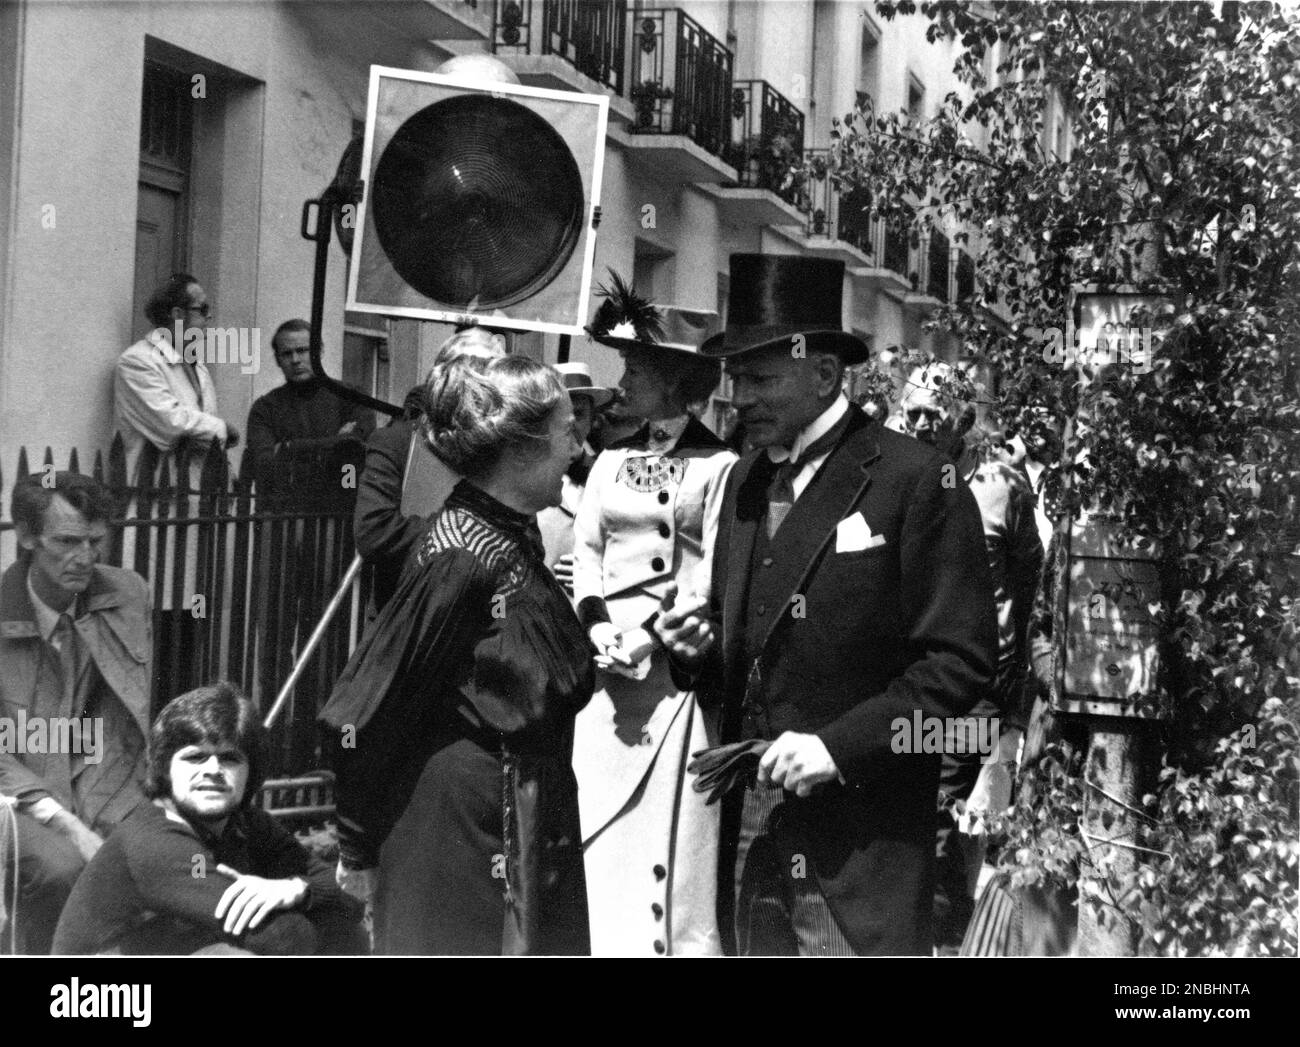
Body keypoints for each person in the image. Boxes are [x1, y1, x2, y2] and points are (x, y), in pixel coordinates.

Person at [655, 254, 998, 956]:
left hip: (860, 855)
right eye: (734, 378)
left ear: (824, 374)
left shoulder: (914, 481)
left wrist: (836, 749)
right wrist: (697, 652)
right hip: (749, 839)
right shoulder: (748, 476)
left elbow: (960, 667)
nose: (738, 396)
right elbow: (746, 643)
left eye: (760, 378)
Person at [321, 354, 592, 955]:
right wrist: (356, 847)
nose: (578, 447)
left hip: (517, 811)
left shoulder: (510, 533)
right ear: (520, 450)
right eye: (567, 432)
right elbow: (365, 706)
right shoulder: (462, 554)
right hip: (461, 832)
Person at [572, 285, 737, 957]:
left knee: (670, 868)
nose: (623, 383)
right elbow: (585, 552)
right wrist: (598, 628)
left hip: (673, 682)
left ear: (675, 380)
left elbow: (713, 573)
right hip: (608, 687)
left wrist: (648, 636)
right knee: (605, 847)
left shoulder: (720, 464)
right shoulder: (609, 461)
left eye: (637, 370)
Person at [899, 363, 1044, 952]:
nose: (922, 422)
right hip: (909, 675)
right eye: (913, 412)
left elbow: (1031, 574)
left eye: (935, 411)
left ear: (964, 416)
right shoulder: (899, 479)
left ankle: (946, 936)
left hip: (975, 681)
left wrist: (1015, 680)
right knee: (924, 809)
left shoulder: (999, 483)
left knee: (941, 805)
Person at [52, 682, 361, 955]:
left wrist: (296, 889)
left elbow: (350, 896)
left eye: (230, 758)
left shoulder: (249, 824)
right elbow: (281, 938)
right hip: (97, 996)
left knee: (342, 928)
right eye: (194, 757)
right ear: (164, 769)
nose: (213, 770)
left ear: (250, 772)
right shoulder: (151, 838)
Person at [0, 473, 152, 953]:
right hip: (14, 790)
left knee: (164, 861)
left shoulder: (127, 595)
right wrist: (67, 824)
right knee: (60, 868)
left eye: (94, 542)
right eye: (66, 542)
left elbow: (130, 712)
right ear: (25, 536)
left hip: (97, 777)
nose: (84, 558)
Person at [353, 326, 507, 622]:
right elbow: (374, 532)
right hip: (405, 616)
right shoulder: (395, 441)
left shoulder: (503, 450)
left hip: (480, 623)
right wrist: (466, 534)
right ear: (443, 380)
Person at [114, 272, 240, 461]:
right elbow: (171, 424)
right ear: (178, 315)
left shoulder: (196, 366)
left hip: (196, 484)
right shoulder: (137, 361)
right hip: (157, 484)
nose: (210, 316)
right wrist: (222, 428)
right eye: (202, 309)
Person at [243, 318, 373, 481]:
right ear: (277, 360)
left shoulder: (352, 397)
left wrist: (289, 447)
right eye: (287, 353)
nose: (295, 360)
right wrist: (336, 442)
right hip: (287, 502)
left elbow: (354, 451)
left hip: (341, 498)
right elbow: (264, 463)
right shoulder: (265, 408)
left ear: (320, 351)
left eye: (302, 350)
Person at [537, 362, 614, 597]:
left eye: (579, 414)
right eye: (561, 413)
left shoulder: (612, 477)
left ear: (592, 420)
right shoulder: (522, 480)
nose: (570, 423)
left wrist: (602, 573)